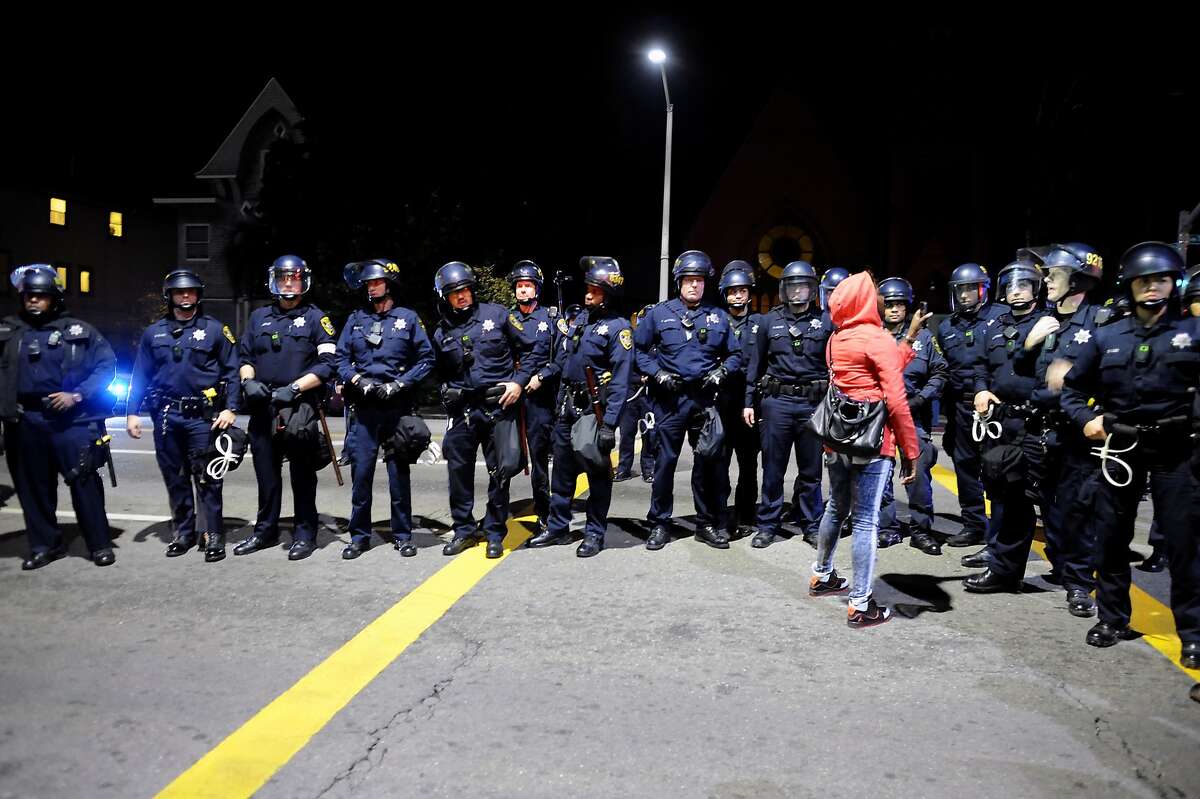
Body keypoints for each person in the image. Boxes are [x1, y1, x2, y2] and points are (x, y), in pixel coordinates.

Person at [1061, 242, 1199, 668]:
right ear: (1131, 286)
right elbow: (1072, 389)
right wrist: (1086, 418)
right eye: (1144, 281)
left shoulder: (1193, 333)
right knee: (1111, 538)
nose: (1152, 288)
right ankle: (1114, 618)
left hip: (1178, 452)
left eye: (1160, 280)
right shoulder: (1108, 336)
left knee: (1185, 546)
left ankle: (1192, 633)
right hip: (1122, 448)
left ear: (1173, 284)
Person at [809, 272, 920, 628]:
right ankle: (860, 603)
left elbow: (868, 372)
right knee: (865, 520)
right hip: (873, 441)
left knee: (835, 507)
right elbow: (896, 400)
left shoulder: (837, 338)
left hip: (837, 437)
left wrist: (909, 341)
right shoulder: (878, 339)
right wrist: (910, 450)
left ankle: (822, 575)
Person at [1, 264, 117, 569]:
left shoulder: (79, 331)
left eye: (40, 296)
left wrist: (77, 394)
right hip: (25, 420)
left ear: (54, 299)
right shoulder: (8, 331)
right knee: (33, 488)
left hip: (72, 420)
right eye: (29, 295)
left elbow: (106, 368)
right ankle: (44, 546)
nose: (33, 301)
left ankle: (99, 544)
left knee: (84, 482)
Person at [126, 269, 240, 561]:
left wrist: (231, 407)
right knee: (175, 478)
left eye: (190, 291)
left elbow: (232, 371)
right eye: (179, 292)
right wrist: (132, 412)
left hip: (204, 418)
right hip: (167, 416)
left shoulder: (215, 330)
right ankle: (184, 532)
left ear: (198, 295)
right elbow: (140, 375)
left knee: (208, 477)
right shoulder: (154, 333)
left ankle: (213, 534)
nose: (185, 296)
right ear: (170, 296)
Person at [432, 262, 542, 559]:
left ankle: (495, 532)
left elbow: (531, 351)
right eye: (455, 293)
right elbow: (438, 371)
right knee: (458, 474)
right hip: (463, 412)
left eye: (466, 290)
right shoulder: (442, 332)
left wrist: (518, 383)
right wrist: (445, 393)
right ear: (446, 297)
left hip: (498, 407)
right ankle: (464, 531)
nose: (462, 296)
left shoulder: (498, 315)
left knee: (500, 473)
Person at [634, 250, 742, 550]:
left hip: (704, 400)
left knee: (707, 464)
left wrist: (722, 372)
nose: (694, 286)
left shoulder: (717, 315)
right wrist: (658, 374)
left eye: (699, 280)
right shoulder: (658, 314)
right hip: (670, 400)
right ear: (678, 282)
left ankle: (705, 523)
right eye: (688, 280)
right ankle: (659, 523)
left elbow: (735, 355)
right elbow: (640, 351)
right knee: (665, 463)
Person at [234, 255, 338, 561]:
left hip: (299, 410)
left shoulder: (317, 319)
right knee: (266, 477)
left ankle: (305, 533)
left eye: (293, 278)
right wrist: (247, 382)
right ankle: (264, 531)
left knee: (303, 477)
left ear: (303, 281)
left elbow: (328, 364)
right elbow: (244, 357)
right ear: (274, 281)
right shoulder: (258, 318)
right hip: (263, 409)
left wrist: (293, 389)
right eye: (283, 278)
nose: (288, 282)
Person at [335, 259, 436, 559]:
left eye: (376, 282)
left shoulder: (408, 318)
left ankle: (403, 535)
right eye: (368, 283)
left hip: (397, 408)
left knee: (398, 476)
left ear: (388, 284)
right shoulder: (355, 319)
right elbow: (339, 358)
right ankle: (359, 536)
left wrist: (401, 384)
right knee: (361, 475)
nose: (372, 287)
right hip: (364, 410)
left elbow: (426, 359)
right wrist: (356, 379)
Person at [533, 257, 632, 557]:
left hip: (594, 411)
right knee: (561, 473)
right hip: (567, 408)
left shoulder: (619, 329)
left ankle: (594, 533)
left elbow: (621, 381)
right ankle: (558, 527)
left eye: (595, 290)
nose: (588, 295)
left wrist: (609, 424)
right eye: (588, 289)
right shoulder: (582, 321)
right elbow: (565, 362)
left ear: (609, 294)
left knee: (597, 476)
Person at [743, 260, 832, 548]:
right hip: (776, 402)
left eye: (803, 286)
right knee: (772, 468)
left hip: (812, 404)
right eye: (792, 286)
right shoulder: (769, 321)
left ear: (812, 289)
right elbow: (754, 366)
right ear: (784, 290)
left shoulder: (826, 322)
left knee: (811, 471)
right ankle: (768, 525)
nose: (797, 292)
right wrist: (749, 402)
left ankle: (811, 524)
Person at [875, 277, 946, 554]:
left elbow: (940, 372)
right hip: (880, 416)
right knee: (880, 474)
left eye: (899, 304)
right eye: (889, 305)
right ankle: (887, 528)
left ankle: (921, 530)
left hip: (913, 415)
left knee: (918, 476)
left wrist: (921, 398)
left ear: (908, 307)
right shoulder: (874, 337)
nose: (894, 310)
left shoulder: (924, 338)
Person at [503, 261, 556, 535]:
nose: (523, 291)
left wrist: (542, 376)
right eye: (520, 286)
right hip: (512, 396)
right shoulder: (506, 318)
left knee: (542, 459)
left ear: (537, 288)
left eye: (528, 285)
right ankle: (499, 514)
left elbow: (561, 358)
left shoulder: (550, 319)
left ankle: (548, 515)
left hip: (541, 399)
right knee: (507, 456)